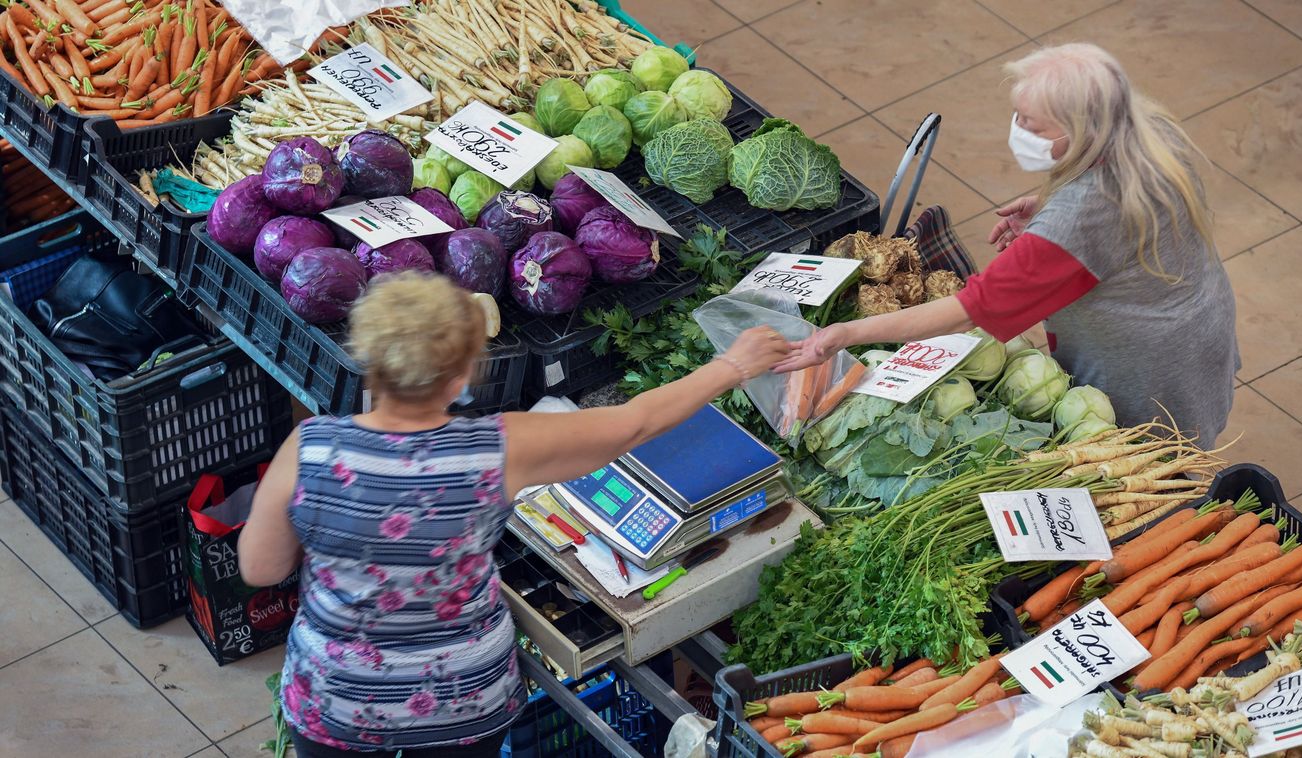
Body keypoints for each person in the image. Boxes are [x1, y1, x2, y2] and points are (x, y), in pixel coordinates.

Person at [237, 272, 788, 757]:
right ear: (459, 379)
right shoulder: (498, 448)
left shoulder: (310, 449)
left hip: (337, 700)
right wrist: (732, 365)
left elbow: (260, 569)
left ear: (367, 363)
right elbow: (635, 422)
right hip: (463, 700)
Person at [776, 43, 1239, 445]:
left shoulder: (1075, 222)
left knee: (1160, 460)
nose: (1018, 128)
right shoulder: (1149, 131)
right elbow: (1112, 213)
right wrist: (1048, 204)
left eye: (1032, 124)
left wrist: (846, 334)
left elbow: (966, 310)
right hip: (1194, 319)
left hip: (1142, 365)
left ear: (1081, 131)